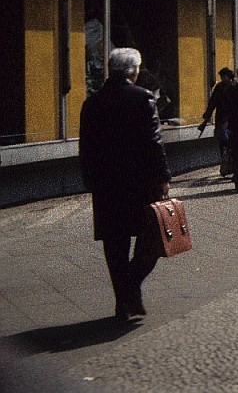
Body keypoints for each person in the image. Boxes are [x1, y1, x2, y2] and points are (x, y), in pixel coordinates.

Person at [79, 47, 171, 321]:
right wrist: (163, 176)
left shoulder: (92, 102)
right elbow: (154, 141)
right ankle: (131, 287)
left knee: (115, 245)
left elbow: (87, 146)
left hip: (106, 185)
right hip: (140, 182)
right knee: (152, 242)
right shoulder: (142, 97)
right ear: (133, 70)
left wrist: (90, 178)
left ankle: (123, 302)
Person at [197, 66, 235, 161]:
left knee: (230, 138)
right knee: (222, 139)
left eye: (224, 76)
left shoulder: (235, 87)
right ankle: (225, 160)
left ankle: (232, 158)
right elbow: (213, 101)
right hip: (221, 117)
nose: (222, 79)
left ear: (229, 77)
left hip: (232, 117)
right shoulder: (219, 87)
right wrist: (208, 114)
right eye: (222, 77)